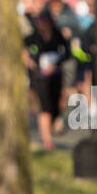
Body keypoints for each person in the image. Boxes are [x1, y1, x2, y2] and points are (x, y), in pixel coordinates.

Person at [23, 11, 66, 151]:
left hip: (55, 77)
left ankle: (54, 124)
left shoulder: (57, 35)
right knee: (44, 107)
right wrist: (31, 63)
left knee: (56, 105)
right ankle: (47, 140)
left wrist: (56, 65)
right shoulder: (32, 38)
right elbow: (24, 51)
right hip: (39, 78)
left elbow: (67, 51)